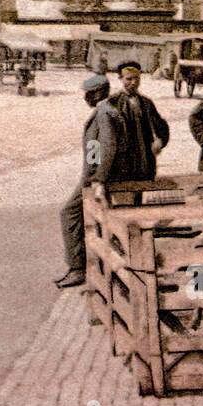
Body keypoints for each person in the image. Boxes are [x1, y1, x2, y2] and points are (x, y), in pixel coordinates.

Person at [56, 74, 121, 289]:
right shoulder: (105, 112)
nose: (86, 97)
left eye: (89, 93)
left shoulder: (104, 114)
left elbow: (107, 147)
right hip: (92, 175)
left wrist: (98, 178)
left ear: (100, 93)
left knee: (69, 213)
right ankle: (85, 266)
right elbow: (96, 147)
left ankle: (78, 268)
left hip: (95, 179)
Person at [107, 61, 170, 182]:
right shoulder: (112, 103)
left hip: (145, 163)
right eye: (129, 79)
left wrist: (160, 141)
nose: (133, 83)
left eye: (137, 78)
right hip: (122, 164)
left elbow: (161, 126)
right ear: (120, 78)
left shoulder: (146, 103)